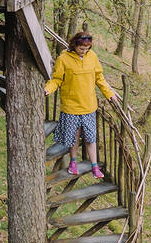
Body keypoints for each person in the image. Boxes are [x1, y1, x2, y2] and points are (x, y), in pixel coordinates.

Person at [44, 31, 115, 178]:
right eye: (82, 48)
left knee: (90, 137)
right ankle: (73, 162)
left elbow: (99, 78)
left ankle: (95, 167)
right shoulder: (63, 59)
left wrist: (109, 94)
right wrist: (48, 89)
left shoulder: (92, 57)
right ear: (74, 44)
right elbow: (56, 79)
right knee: (74, 137)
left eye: (87, 48)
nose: (85, 51)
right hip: (71, 106)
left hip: (89, 106)